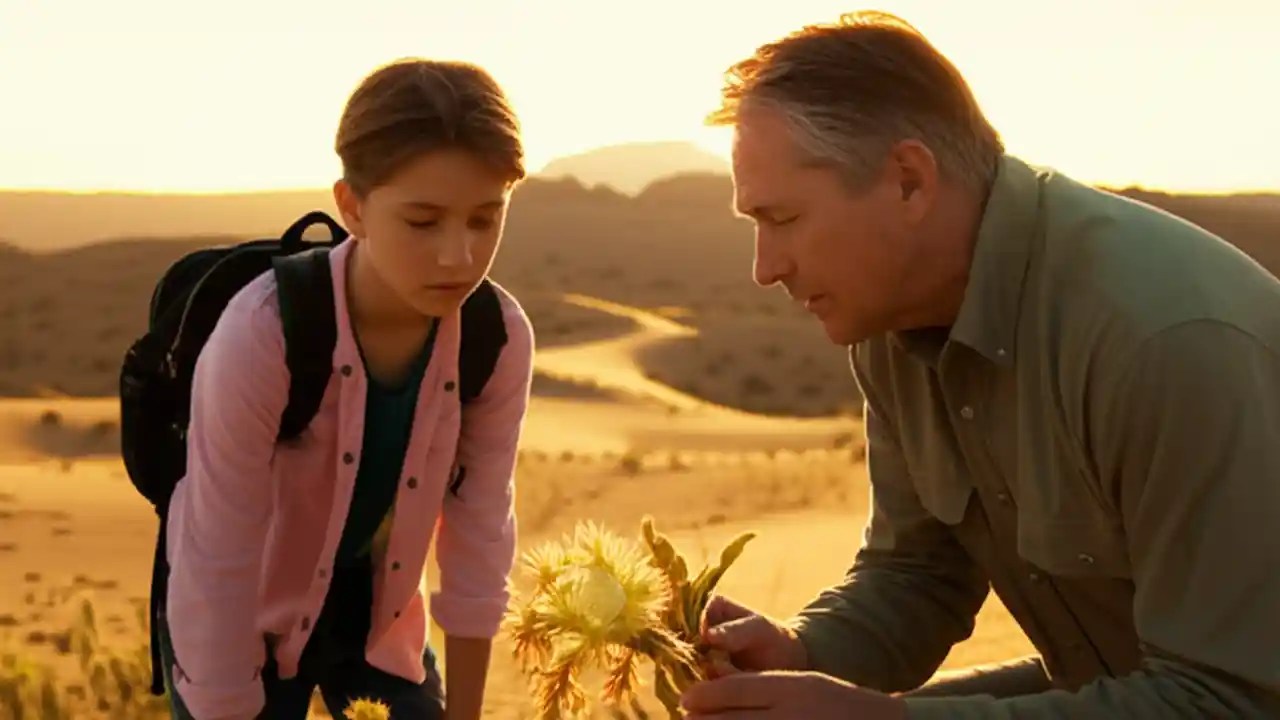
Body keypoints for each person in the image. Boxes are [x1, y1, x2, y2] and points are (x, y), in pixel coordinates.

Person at [681, 10, 1280, 720]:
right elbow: (918, 574)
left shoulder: (1164, 343)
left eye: (781, 220)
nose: (765, 268)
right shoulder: (891, 319)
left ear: (908, 181)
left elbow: (1230, 698)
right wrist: (802, 652)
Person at [157, 58, 535, 720]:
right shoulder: (263, 332)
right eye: (423, 221)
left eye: (485, 218)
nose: (459, 256)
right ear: (352, 206)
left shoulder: (495, 336)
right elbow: (217, 558)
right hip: (237, 623)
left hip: (379, 627)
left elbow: (480, 534)